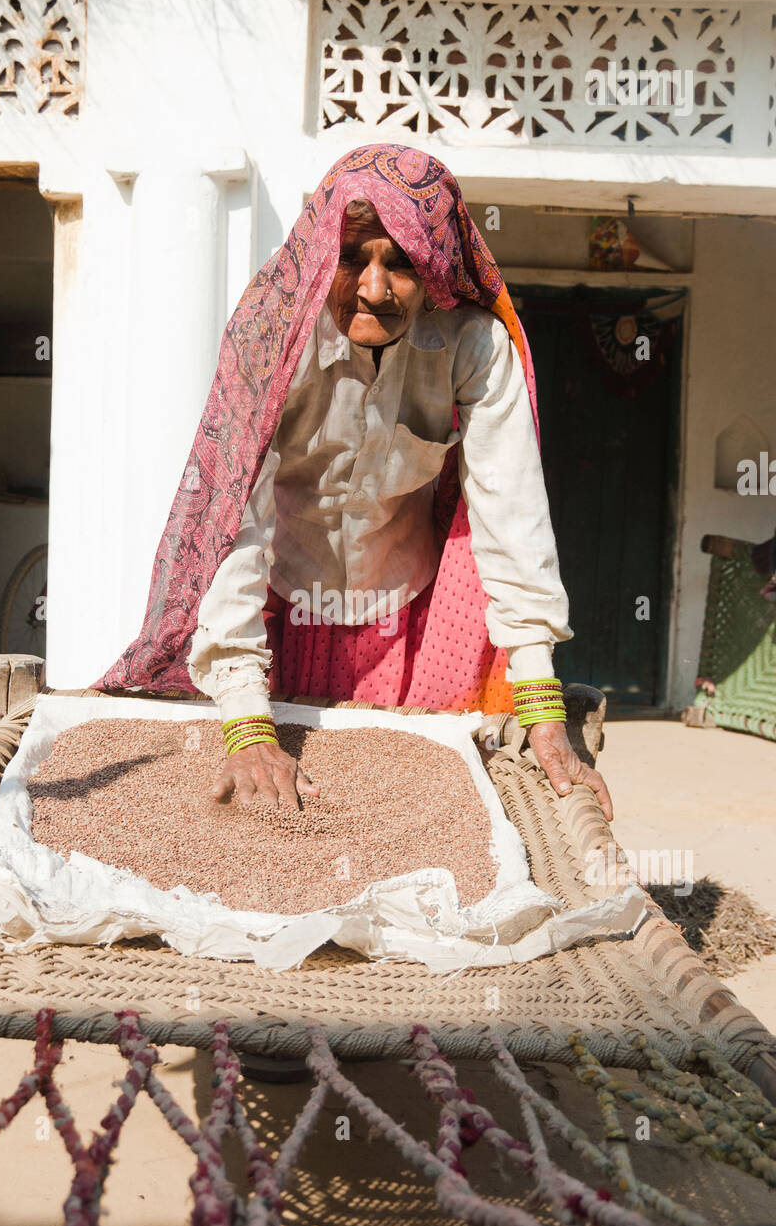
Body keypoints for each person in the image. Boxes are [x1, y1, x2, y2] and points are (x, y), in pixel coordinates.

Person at [96, 144, 612, 822]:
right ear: (321, 258)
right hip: (276, 609)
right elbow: (235, 526)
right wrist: (249, 727)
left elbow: (510, 515)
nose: (374, 288)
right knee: (257, 819)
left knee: (405, 815)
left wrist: (542, 711)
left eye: (400, 263)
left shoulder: (474, 347)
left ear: (435, 270)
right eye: (353, 259)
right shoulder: (271, 340)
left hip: (411, 619)